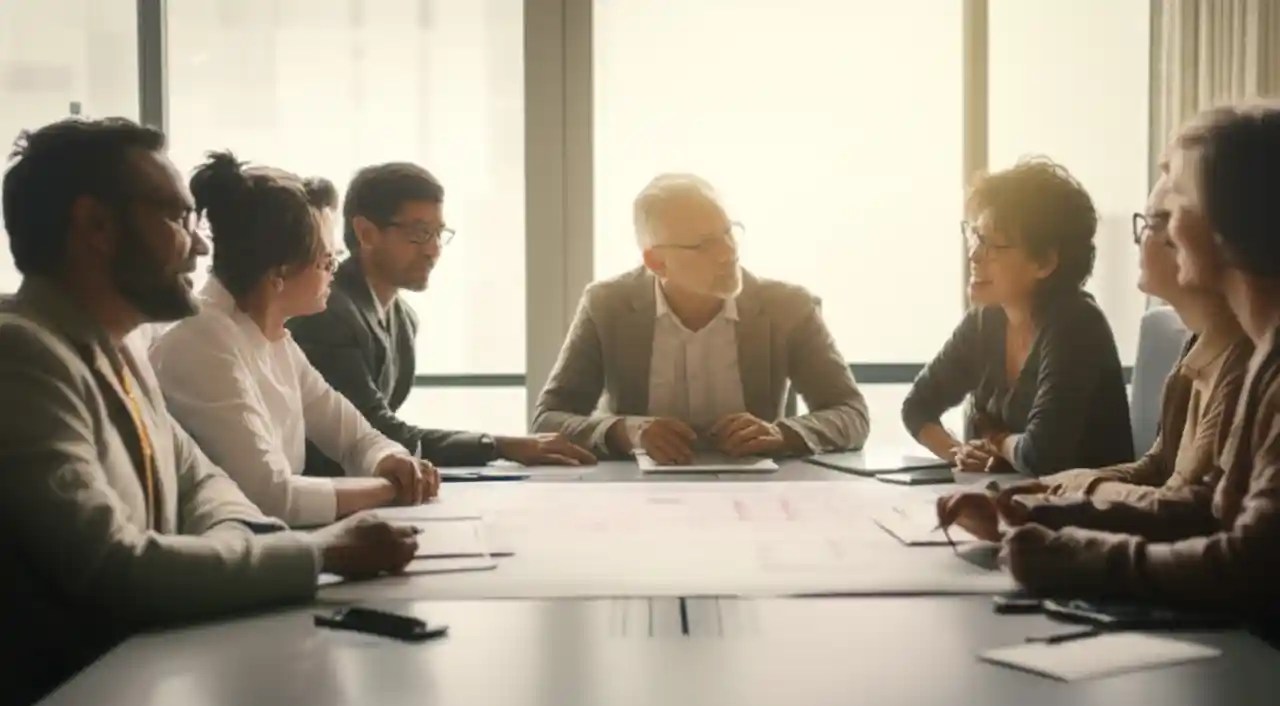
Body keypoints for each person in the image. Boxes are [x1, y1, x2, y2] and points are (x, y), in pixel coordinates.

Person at [0, 118, 416, 706]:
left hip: (137, 680)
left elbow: (205, 484)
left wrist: (243, 541)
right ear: (95, 227)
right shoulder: (23, 355)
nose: (199, 245)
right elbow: (114, 566)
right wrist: (323, 553)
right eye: (176, 218)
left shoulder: (120, 350)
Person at [999, 103, 1280, 612]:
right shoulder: (1268, 356)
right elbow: (1207, 506)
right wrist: (1042, 515)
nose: (1165, 233)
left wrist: (1060, 557)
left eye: (1176, 211)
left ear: (1230, 224)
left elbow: (1250, 565)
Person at [936, 171, 1251, 542]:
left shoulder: (1247, 364)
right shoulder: (1197, 345)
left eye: (1158, 221)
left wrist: (1047, 515)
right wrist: (1034, 495)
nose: (1143, 236)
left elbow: (1189, 510)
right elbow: (1158, 466)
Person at [150, 152, 438, 528]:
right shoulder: (203, 341)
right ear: (280, 274)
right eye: (326, 262)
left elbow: (354, 437)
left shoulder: (274, 340)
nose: (334, 274)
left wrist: (388, 460)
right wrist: (389, 490)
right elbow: (270, 497)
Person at [532, 173, 869, 465]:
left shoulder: (788, 307)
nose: (728, 252)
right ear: (656, 263)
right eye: (705, 245)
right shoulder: (607, 305)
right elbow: (547, 420)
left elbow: (852, 414)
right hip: (636, 496)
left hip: (761, 498)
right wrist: (628, 432)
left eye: (728, 232)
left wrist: (782, 435)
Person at [287, 163, 595, 472]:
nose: (433, 250)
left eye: (438, 233)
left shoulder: (403, 319)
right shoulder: (326, 314)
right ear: (366, 233)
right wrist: (500, 446)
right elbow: (376, 432)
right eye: (419, 233)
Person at [901, 157, 1133, 476]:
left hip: (1082, 514)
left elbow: (1042, 455)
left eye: (992, 244)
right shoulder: (986, 321)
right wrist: (960, 454)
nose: (974, 255)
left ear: (1045, 262)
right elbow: (917, 407)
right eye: (974, 235)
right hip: (1011, 506)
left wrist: (995, 442)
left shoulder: (1076, 325)